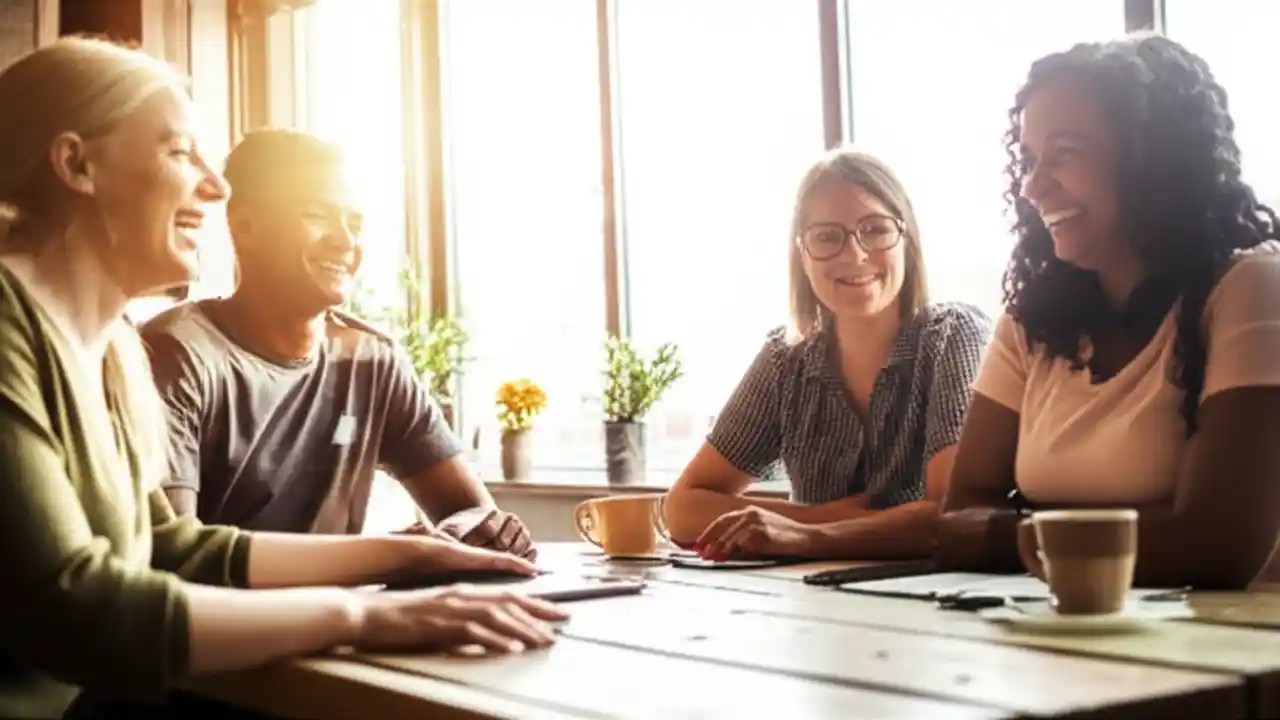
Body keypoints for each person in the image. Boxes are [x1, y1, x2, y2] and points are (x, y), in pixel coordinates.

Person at [0, 38, 565, 719]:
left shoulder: (110, 349)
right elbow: (71, 607)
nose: (216, 184)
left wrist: (406, 559)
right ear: (76, 164)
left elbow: (174, 548)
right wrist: (361, 620)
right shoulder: (17, 328)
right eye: (180, 153)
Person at [938, 34, 1280, 589]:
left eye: (1065, 154)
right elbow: (956, 517)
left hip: (1232, 653)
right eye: (1028, 160)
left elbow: (1217, 545)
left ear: (1152, 159)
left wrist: (1012, 533)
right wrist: (1104, 539)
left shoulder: (1252, 287)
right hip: (1062, 641)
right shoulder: (1033, 318)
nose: (1032, 186)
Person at [140, 129, 535, 558]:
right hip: (230, 623)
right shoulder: (175, 354)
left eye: (355, 223)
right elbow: (177, 559)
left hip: (347, 616)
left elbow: (471, 510)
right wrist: (378, 557)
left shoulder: (371, 360)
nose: (345, 240)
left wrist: (463, 534)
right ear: (245, 225)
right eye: (318, 215)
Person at [663, 148, 991, 560]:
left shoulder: (953, 337)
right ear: (802, 255)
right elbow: (682, 508)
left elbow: (952, 513)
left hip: (929, 603)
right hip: (813, 600)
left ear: (906, 240)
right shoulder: (785, 360)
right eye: (827, 236)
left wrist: (803, 531)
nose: (853, 254)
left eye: (874, 229)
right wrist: (818, 516)